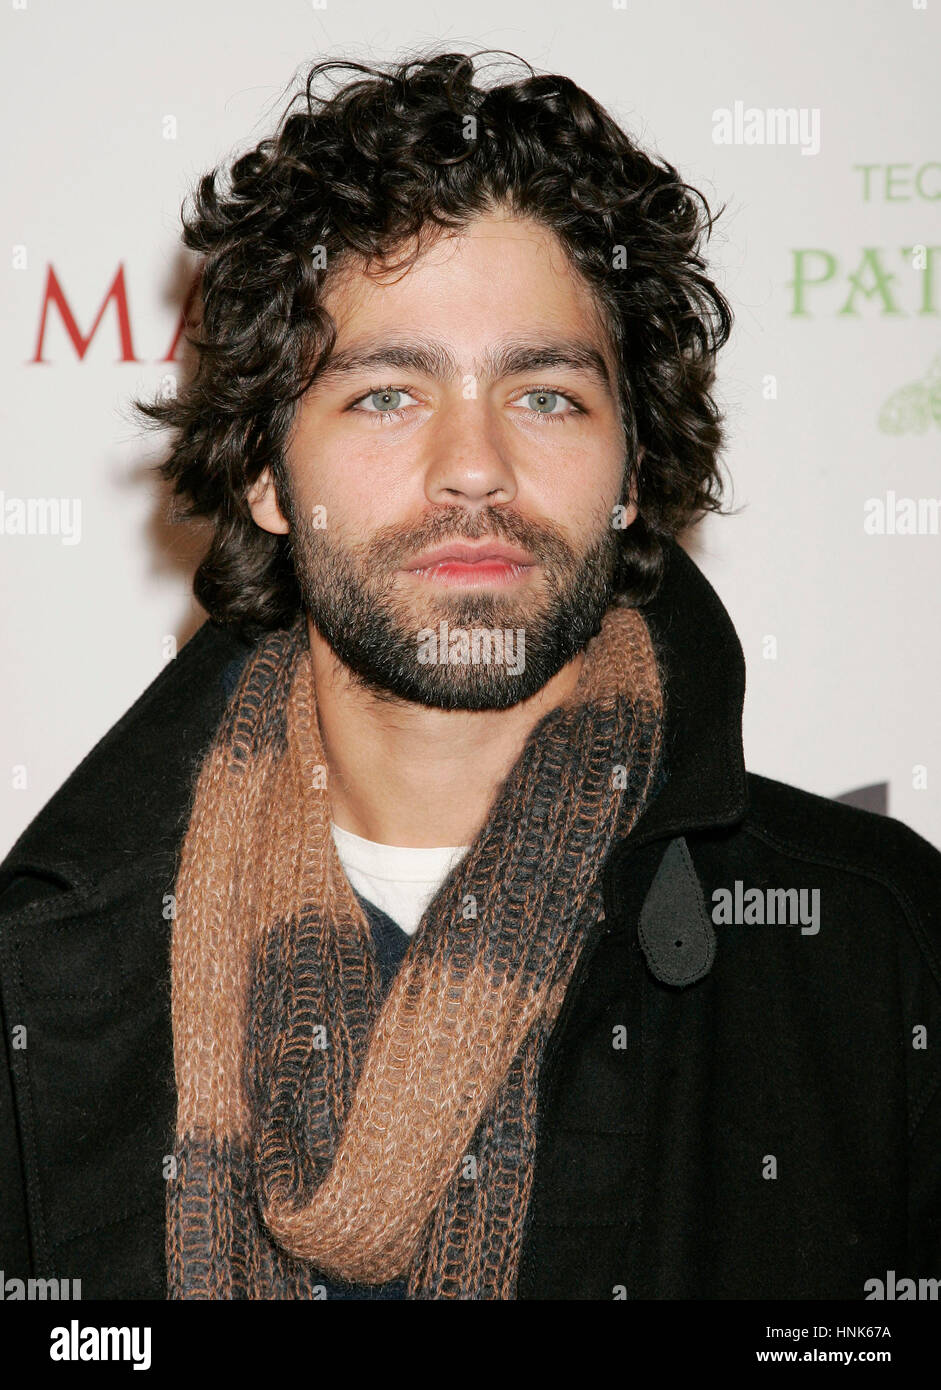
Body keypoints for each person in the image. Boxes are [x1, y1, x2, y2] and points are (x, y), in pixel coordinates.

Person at [0, 49, 938, 1302]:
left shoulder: (869, 953)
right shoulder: (46, 971)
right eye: (386, 394)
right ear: (269, 478)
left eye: (545, 397)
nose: (473, 467)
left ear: (634, 472)